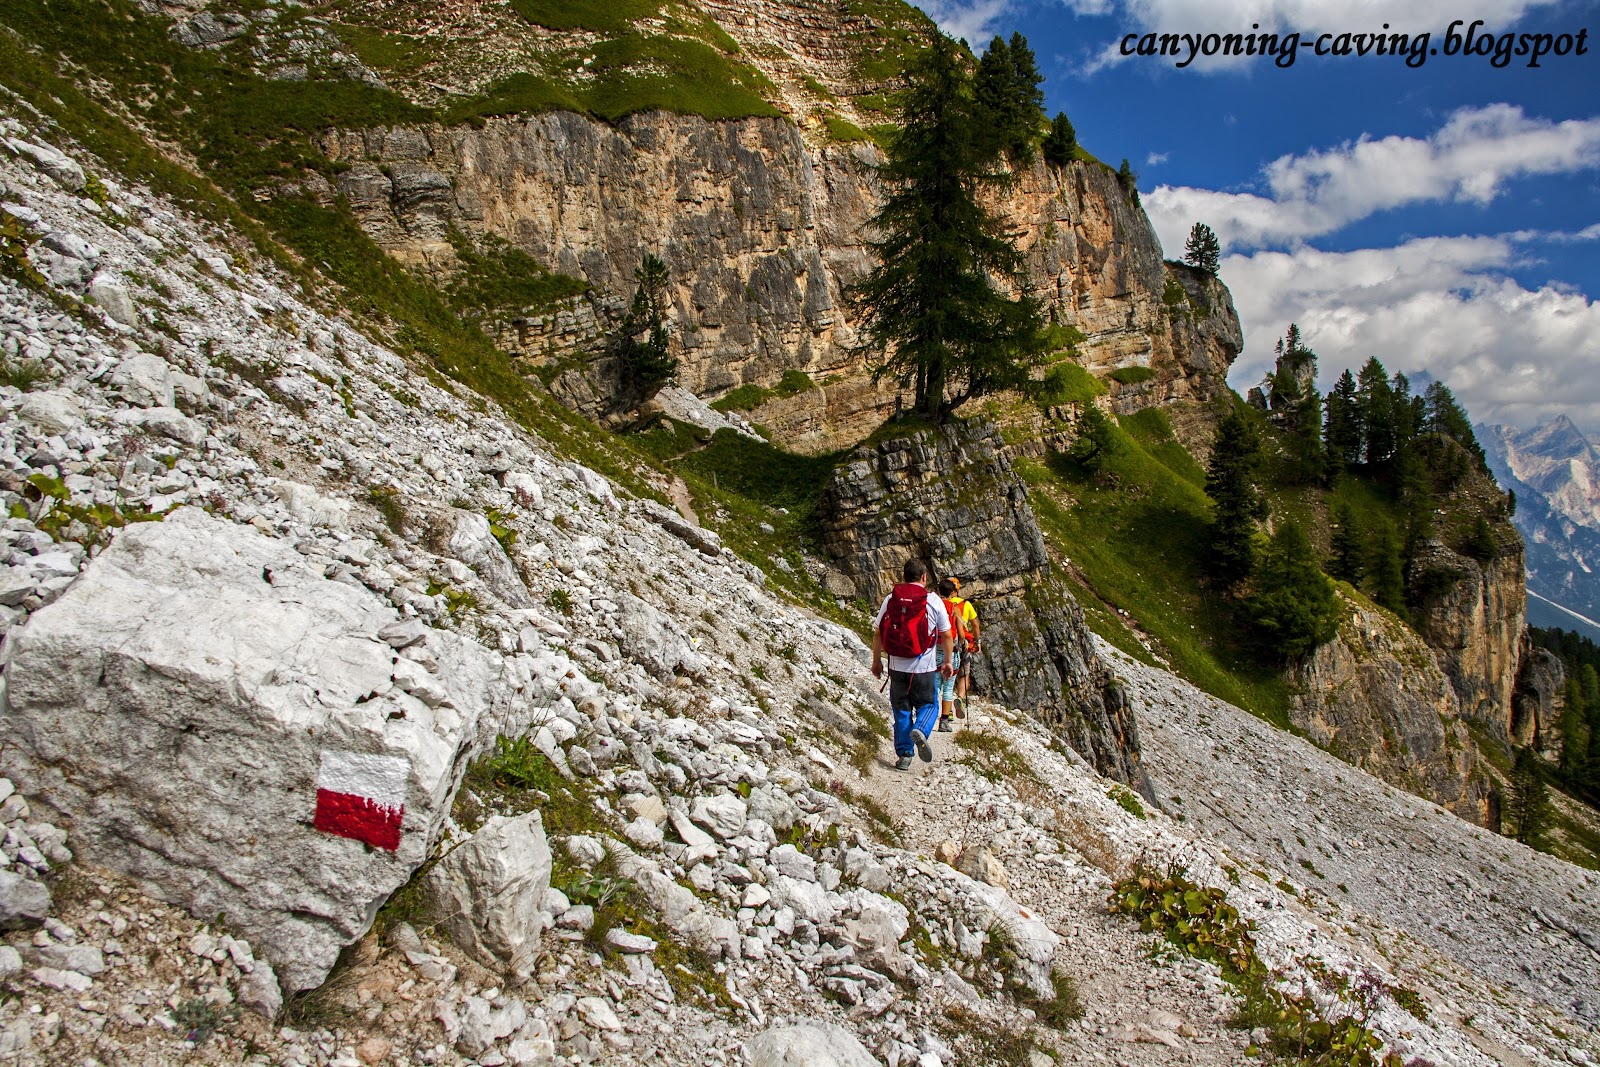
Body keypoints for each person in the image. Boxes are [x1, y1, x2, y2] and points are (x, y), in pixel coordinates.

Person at [870, 559, 953, 770]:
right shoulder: (933, 601)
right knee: (929, 704)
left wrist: (877, 661)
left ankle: (905, 755)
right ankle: (921, 729)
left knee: (901, 710)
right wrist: (947, 662)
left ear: (904, 575)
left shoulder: (891, 599)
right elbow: (946, 635)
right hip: (923, 668)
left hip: (896, 667)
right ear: (924, 577)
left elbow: (879, 631)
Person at [947, 577, 980, 719]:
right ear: (956, 590)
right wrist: (977, 641)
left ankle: (946, 711)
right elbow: (975, 625)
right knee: (964, 673)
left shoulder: (941, 603)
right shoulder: (965, 605)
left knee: (946, 676)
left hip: (944, 642)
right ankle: (960, 697)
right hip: (962, 643)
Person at [934, 578, 966, 731]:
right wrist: (961, 645)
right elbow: (961, 633)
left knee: (934, 687)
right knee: (948, 688)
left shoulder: (933, 606)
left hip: (934, 652)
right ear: (952, 592)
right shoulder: (955, 608)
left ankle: (928, 716)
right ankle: (944, 722)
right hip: (951, 654)